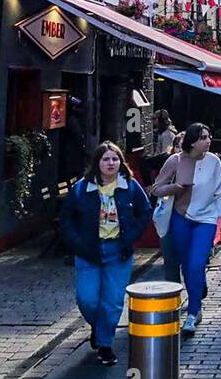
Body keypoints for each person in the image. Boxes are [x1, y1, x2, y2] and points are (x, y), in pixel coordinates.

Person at [59, 141, 152, 366]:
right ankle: (99, 327)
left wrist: (131, 236)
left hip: (118, 252)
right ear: (97, 163)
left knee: (112, 302)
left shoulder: (129, 186)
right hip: (89, 252)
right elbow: (67, 218)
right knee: (87, 299)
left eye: (115, 159)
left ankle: (104, 344)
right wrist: (78, 243)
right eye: (106, 159)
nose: (111, 163)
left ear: (121, 162)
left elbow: (145, 210)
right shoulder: (83, 188)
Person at [151, 123, 221, 336]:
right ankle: (193, 297)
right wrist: (174, 188)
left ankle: (193, 312)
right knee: (186, 265)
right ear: (193, 141)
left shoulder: (214, 161)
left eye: (209, 136)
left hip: (207, 220)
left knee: (196, 264)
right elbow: (156, 188)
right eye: (204, 137)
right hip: (181, 218)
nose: (209, 140)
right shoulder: (175, 160)